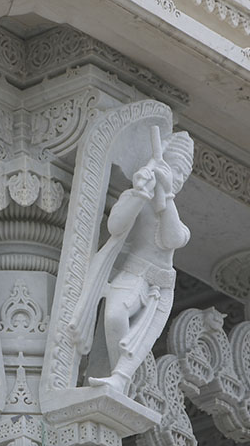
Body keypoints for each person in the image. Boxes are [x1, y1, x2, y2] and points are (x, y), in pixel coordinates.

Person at [70, 127, 193, 395]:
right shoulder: (138, 196)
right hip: (133, 273)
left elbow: (173, 238)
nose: (177, 178)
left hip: (158, 286)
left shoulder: (169, 210)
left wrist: (166, 197)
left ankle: (120, 378)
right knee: (115, 318)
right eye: (174, 170)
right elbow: (116, 226)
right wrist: (139, 193)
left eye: (182, 174)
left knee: (140, 336)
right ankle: (116, 376)